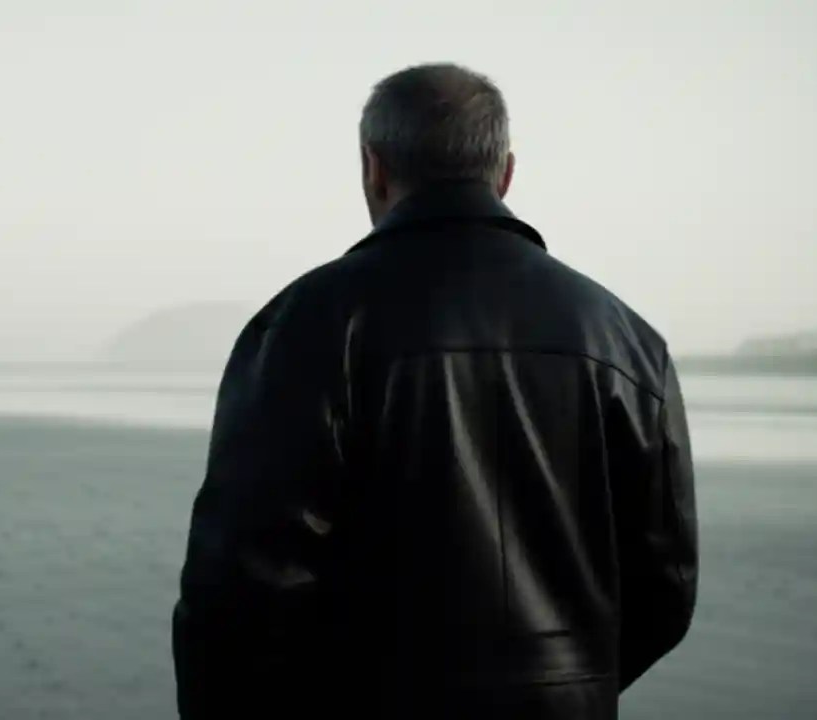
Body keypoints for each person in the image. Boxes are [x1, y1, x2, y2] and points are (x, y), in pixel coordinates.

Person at [172, 63, 698, 719]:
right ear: (505, 173)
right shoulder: (626, 339)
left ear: (373, 168)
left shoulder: (309, 323)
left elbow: (241, 581)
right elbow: (665, 584)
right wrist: (571, 683)